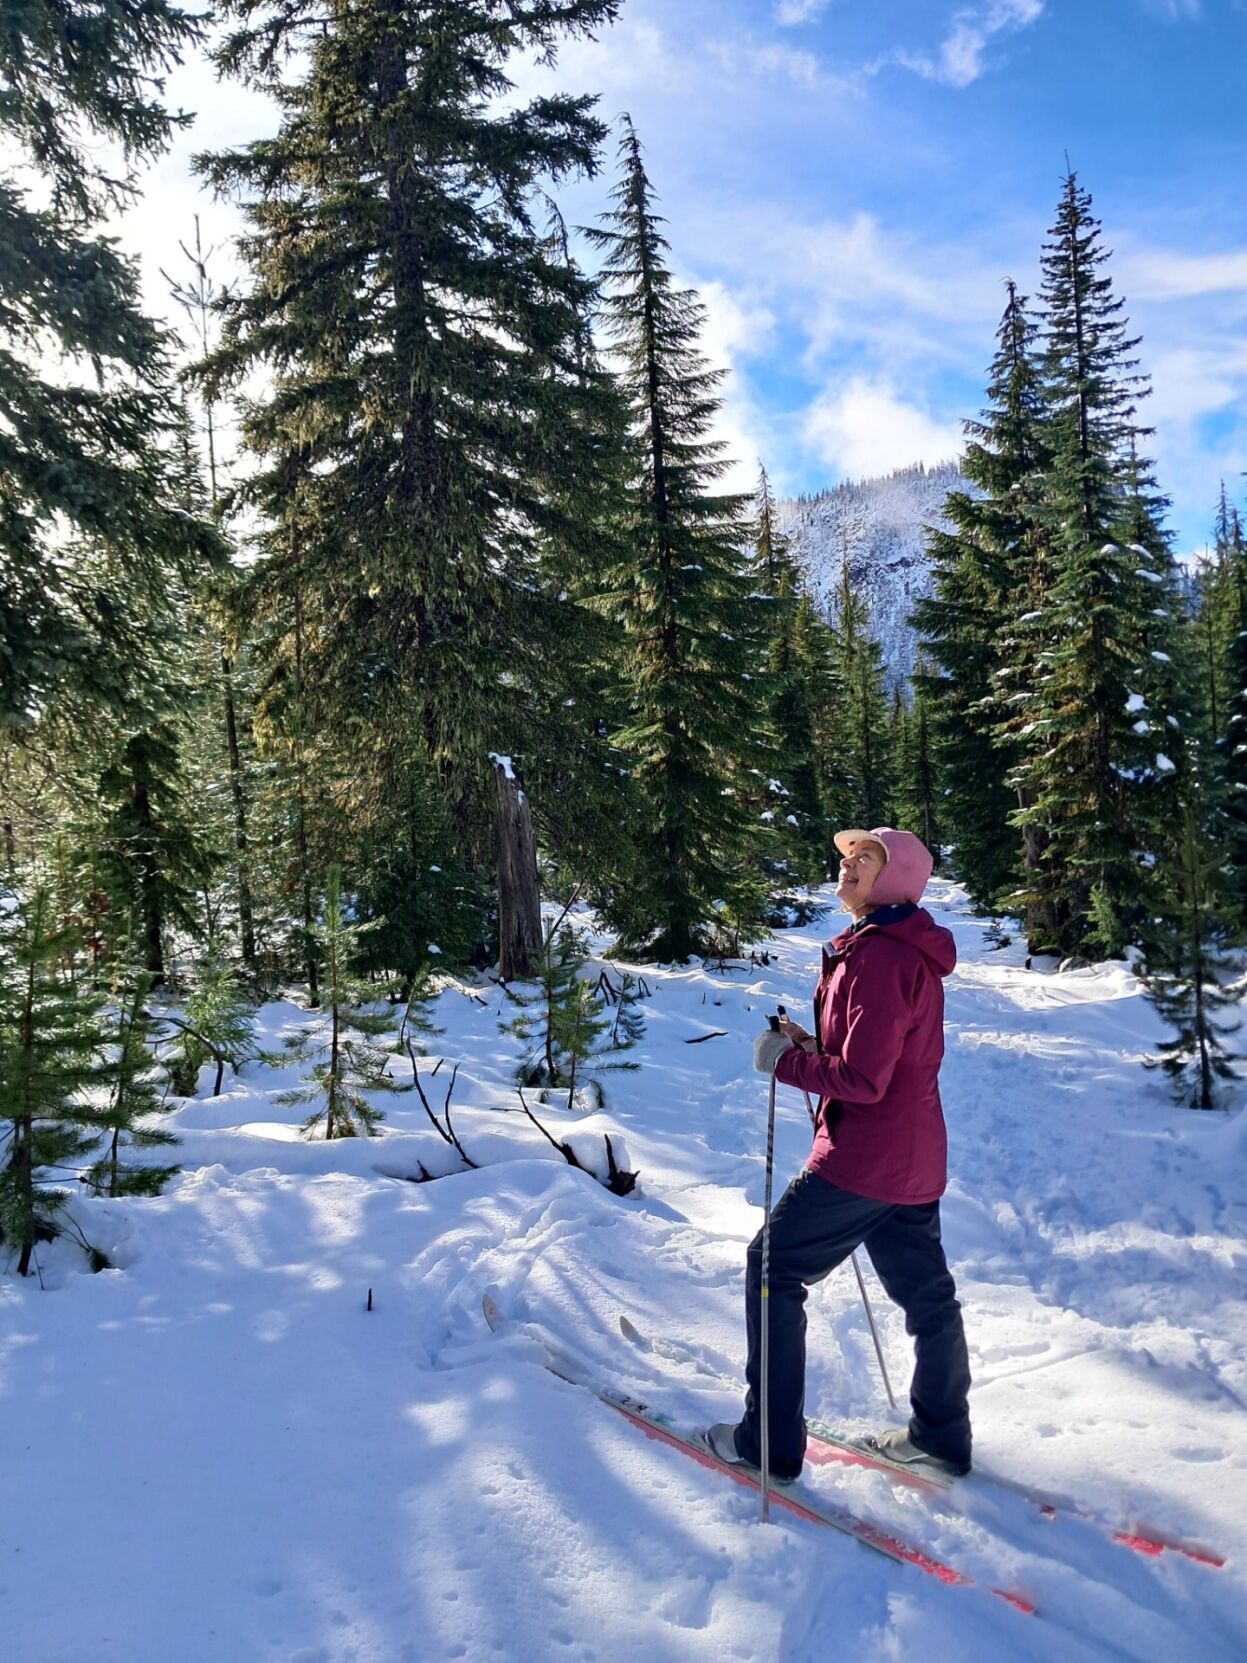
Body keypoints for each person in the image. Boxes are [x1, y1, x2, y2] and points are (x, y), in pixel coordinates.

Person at [706, 826, 972, 1481]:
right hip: (912, 1155)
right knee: (927, 1296)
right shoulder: (894, 947)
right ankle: (941, 1435)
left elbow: (863, 1080)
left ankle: (767, 1443)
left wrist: (786, 1062)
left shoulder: (879, 956)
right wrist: (809, 1045)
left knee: (771, 1267)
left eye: (866, 858)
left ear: (895, 878)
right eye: (847, 856)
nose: (848, 865)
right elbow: (871, 1053)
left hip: (865, 1157)